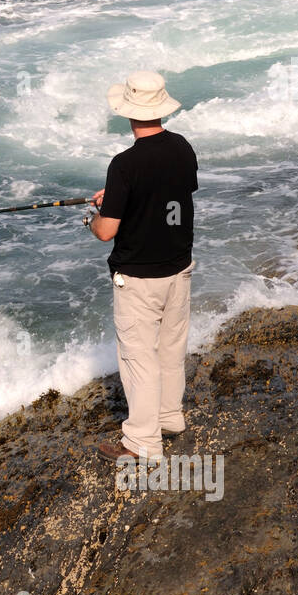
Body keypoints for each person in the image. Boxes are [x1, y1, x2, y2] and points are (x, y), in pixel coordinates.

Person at [86, 71, 197, 462]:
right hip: (179, 268)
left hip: (138, 276)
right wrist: (117, 197)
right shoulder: (183, 148)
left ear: (129, 112)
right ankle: (170, 417)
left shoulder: (124, 164)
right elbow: (169, 197)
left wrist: (94, 217)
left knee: (139, 359)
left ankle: (142, 443)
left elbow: (106, 232)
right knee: (170, 348)